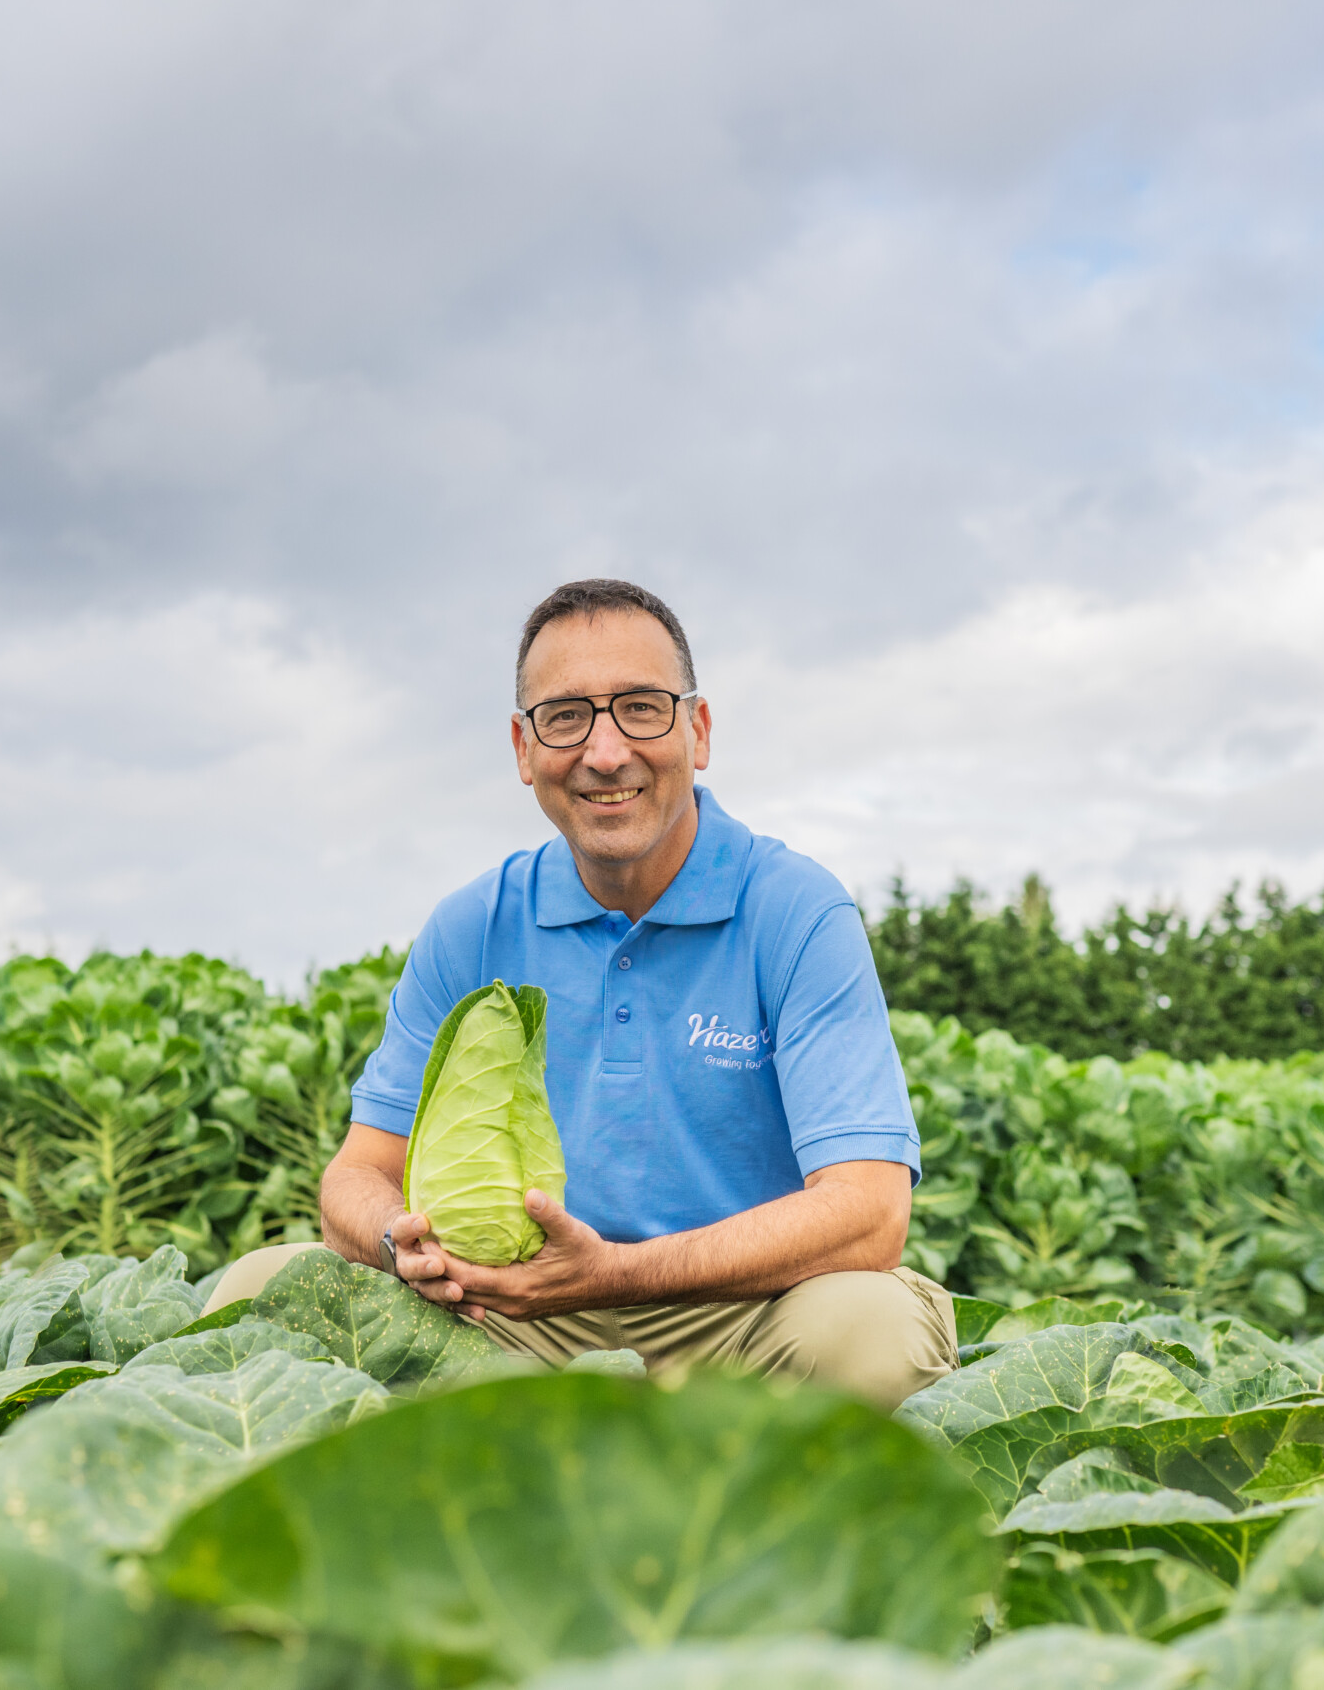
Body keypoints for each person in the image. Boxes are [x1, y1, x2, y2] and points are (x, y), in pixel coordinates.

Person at [204, 578, 953, 1406]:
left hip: (740, 1317)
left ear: (698, 731)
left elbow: (869, 1210)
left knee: (873, 1336)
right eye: (565, 717)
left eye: (641, 708)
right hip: (508, 1317)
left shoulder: (796, 912)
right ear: (524, 749)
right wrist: (396, 1240)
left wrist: (616, 1271)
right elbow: (355, 1176)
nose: (605, 751)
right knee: (257, 1289)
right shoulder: (472, 926)